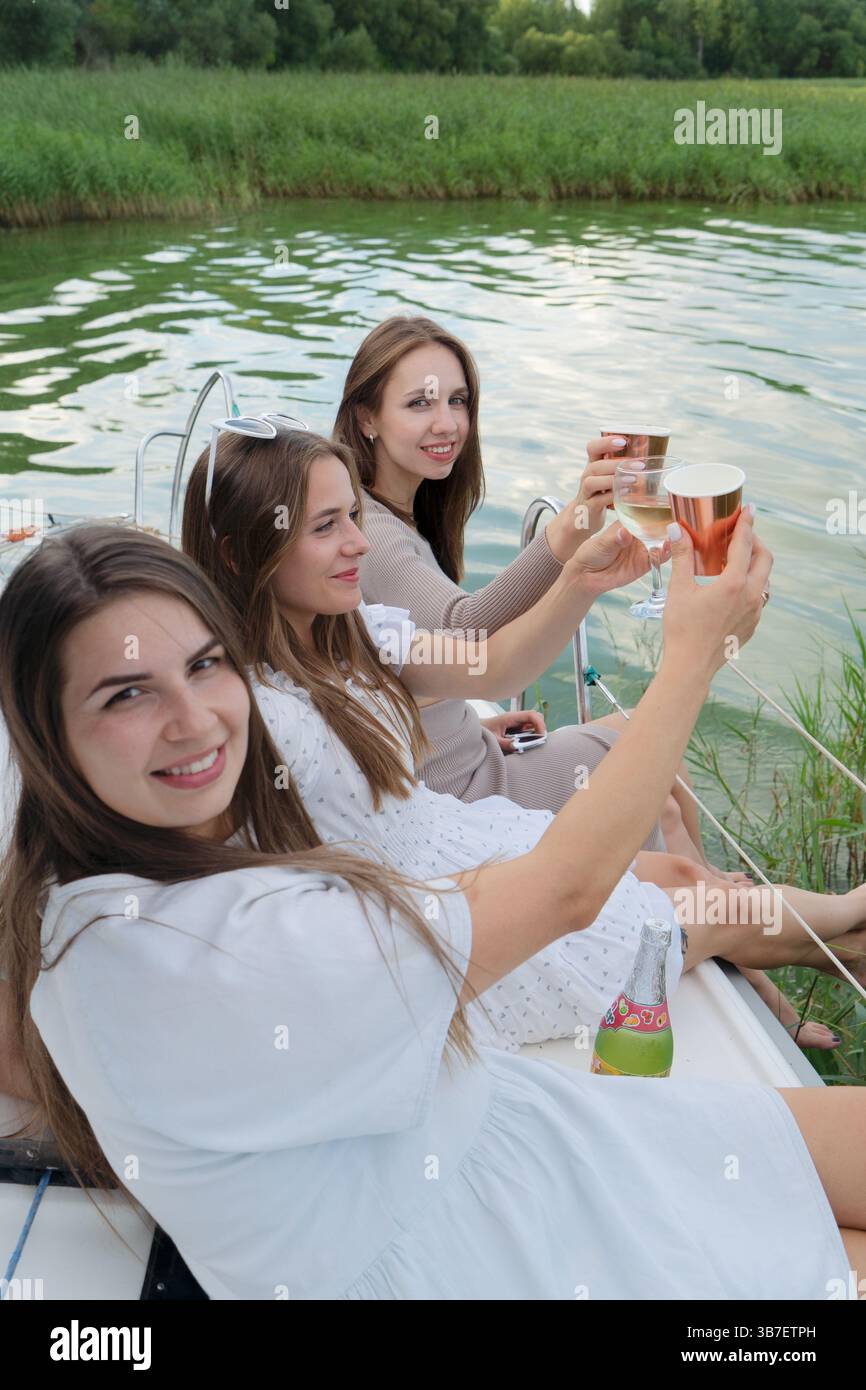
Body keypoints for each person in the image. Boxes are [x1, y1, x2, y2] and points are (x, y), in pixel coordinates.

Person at [2, 522, 863, 1301]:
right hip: (480, 1243)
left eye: (202, 665)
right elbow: (565, 891)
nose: (194, 722)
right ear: (44, 734)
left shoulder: (110, 874)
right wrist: (691, 659)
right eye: (125, 695)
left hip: (514, 1128)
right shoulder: (186, 953)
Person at [180, 423, 866, 1042]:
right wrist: (699, 652)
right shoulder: (244, 714)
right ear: (242, 553)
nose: (360, 541)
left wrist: (579, 582)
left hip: (455, 843)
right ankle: (848, 925)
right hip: (436, 926)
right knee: (700, 903)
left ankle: (849, 943)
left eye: (353, 516)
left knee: (684, 873)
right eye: (325, 526)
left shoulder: (351, 632)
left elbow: (493, 664)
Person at [335, 313, 735, 878]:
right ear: (366, 417)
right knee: (646, 767)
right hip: (457, 793)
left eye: (458, 400)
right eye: (420, 404)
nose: (447, 422)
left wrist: (469, 726)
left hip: (448, 753)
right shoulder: (371, 532)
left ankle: (724, 906)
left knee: (644, 751)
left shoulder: (391, 512)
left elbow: (396, 665)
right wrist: (575, 530)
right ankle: (723, 909)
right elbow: (465, 629)